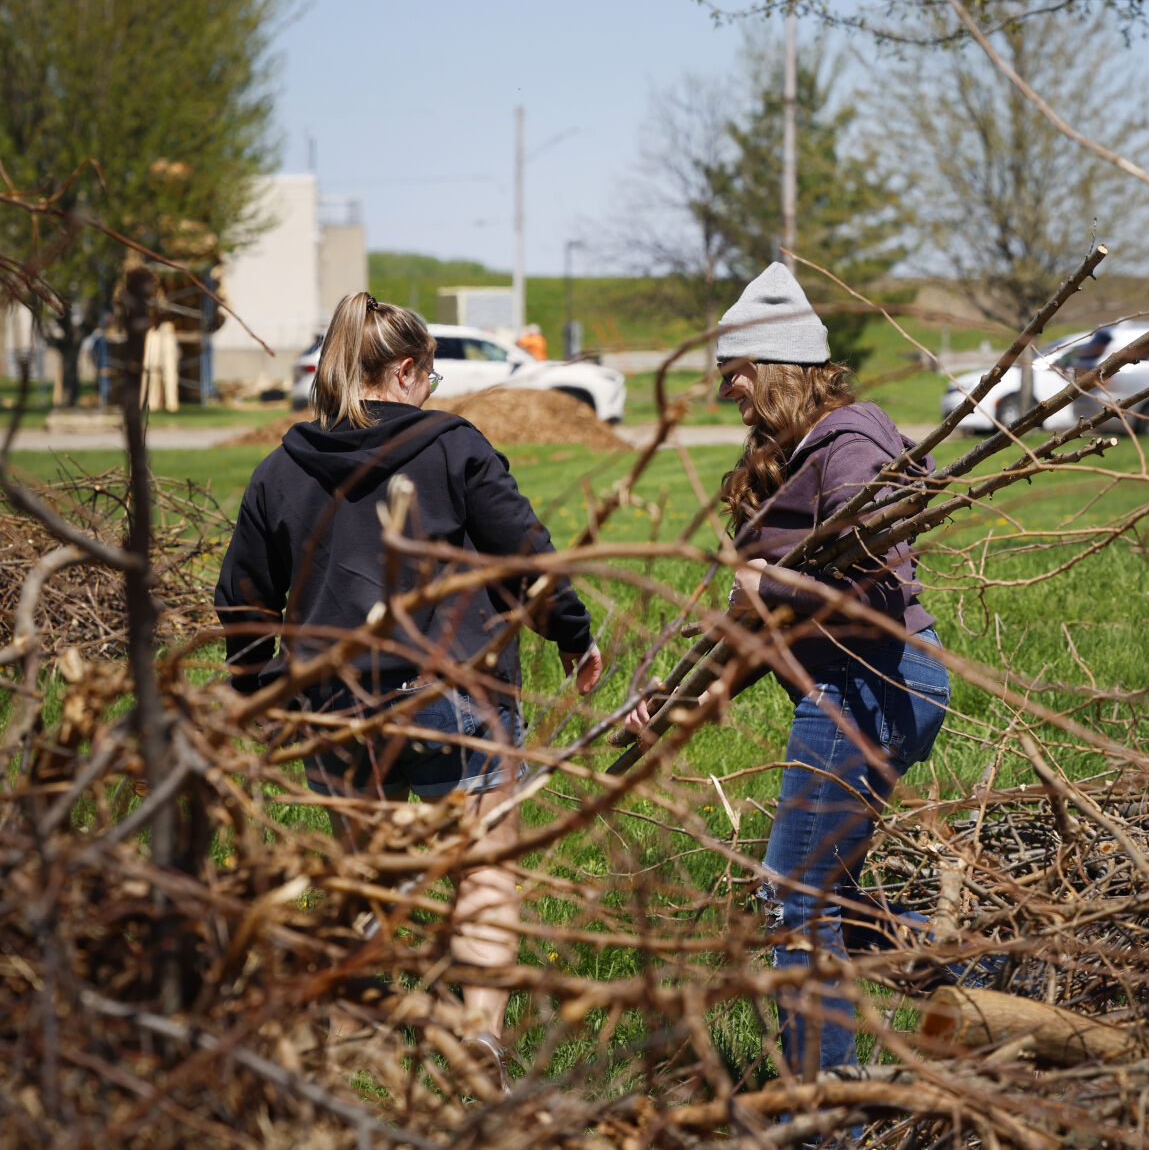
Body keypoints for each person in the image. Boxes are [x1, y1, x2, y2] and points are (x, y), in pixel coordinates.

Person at [214, 291, 603, 1079]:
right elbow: (525, 553)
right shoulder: (453, 446)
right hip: (456, 695)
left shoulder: (279, 470)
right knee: (483, 867)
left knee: (358, 872)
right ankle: (480, 1036)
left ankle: (362, 1036)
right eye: (428, 375)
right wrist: (570, 632)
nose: (433, 391)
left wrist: (259, 684)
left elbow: (243, 598)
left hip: (333, 707)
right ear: (403, 369)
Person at [628, 263, 949, 1079]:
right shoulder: (778, 459)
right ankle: (960, 954)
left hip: (873, 682)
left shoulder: (849, 434)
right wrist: (677, 697)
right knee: (819, 897)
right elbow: (752, 629)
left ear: (776, 366)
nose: (726, 386)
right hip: (842, 687)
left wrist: (767, 582)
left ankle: (820, 1117)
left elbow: (878, 547)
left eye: (735, 370)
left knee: (792, 899)